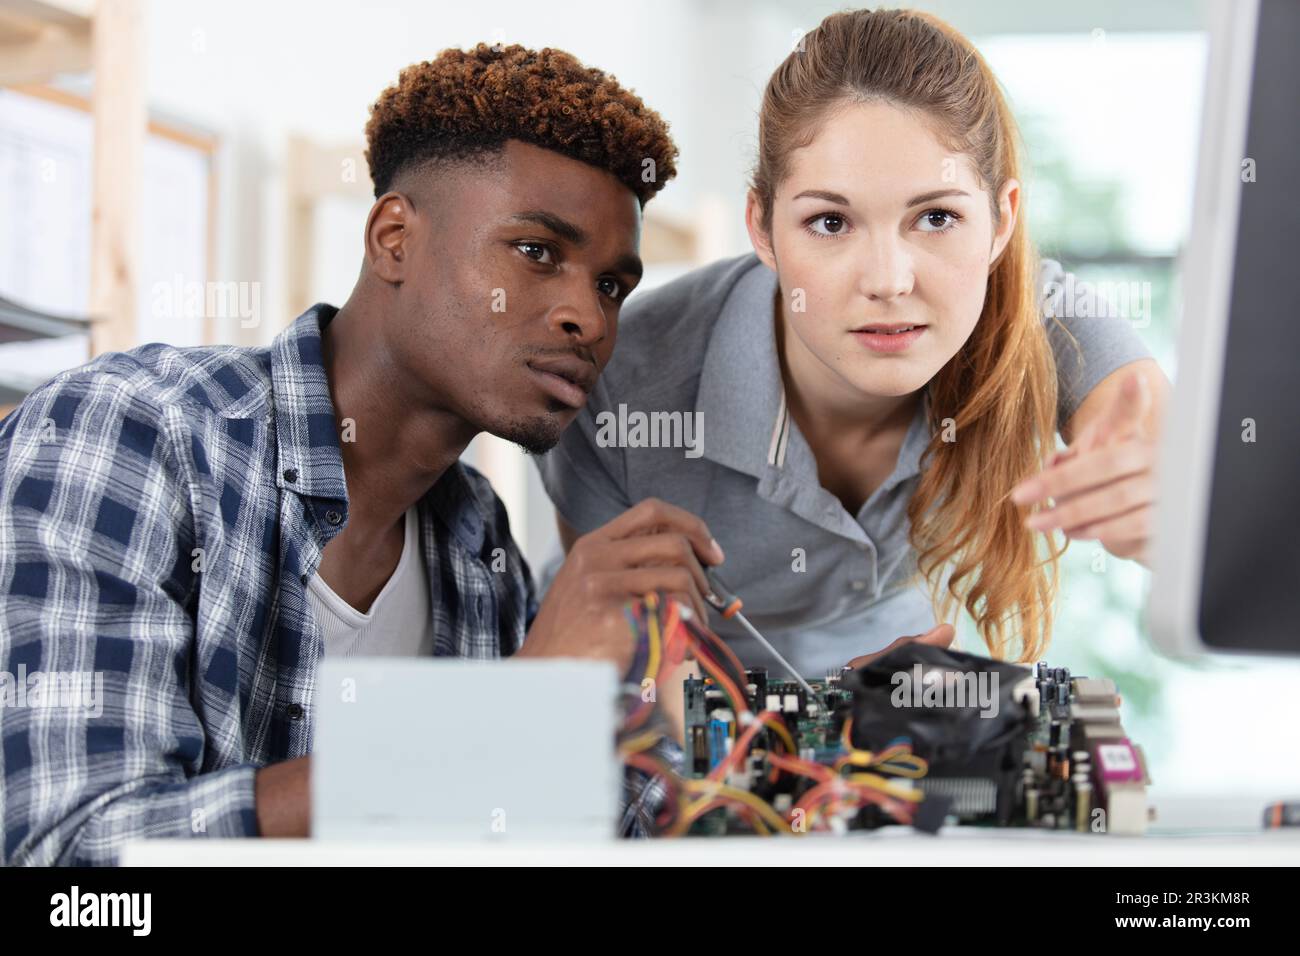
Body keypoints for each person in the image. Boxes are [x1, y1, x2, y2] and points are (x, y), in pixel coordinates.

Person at [0, 43, 720, 864]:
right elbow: (72, 860)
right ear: (393, 239)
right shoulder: (129, 433)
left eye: (610, 286)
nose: (587, 320)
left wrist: (674, 718)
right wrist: (508, 713)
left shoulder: (478, 549)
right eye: (536, 252)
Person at [538, 8, 1170, 678]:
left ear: (1001, 220)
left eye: (936, 217)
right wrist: (816, 734)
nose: (889, 282)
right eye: (830, 222)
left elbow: (1170, 461)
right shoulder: (619, 381)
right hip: (671, 701)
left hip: (894, 685)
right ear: (763, 228)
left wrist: (1171, 511)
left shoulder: (1045, 318)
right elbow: (639, 662)